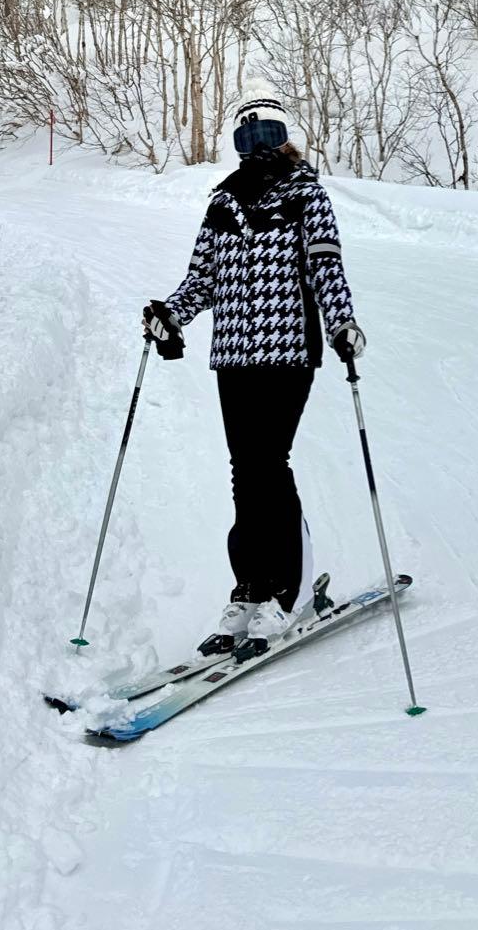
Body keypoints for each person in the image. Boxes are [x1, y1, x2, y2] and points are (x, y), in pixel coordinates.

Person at [143, 83, 366, 655]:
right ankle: (250, 587)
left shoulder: (306, 194)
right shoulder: (222, 202)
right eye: (247, 134)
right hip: (234, 355)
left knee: (268, 462)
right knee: (246, 469)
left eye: (266, 132)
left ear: (284, 137)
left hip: (289, 351)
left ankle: (285, 591)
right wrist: (172, 314)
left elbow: (326, 269)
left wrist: (342, 323)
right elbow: (203, 279)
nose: (257, 144)